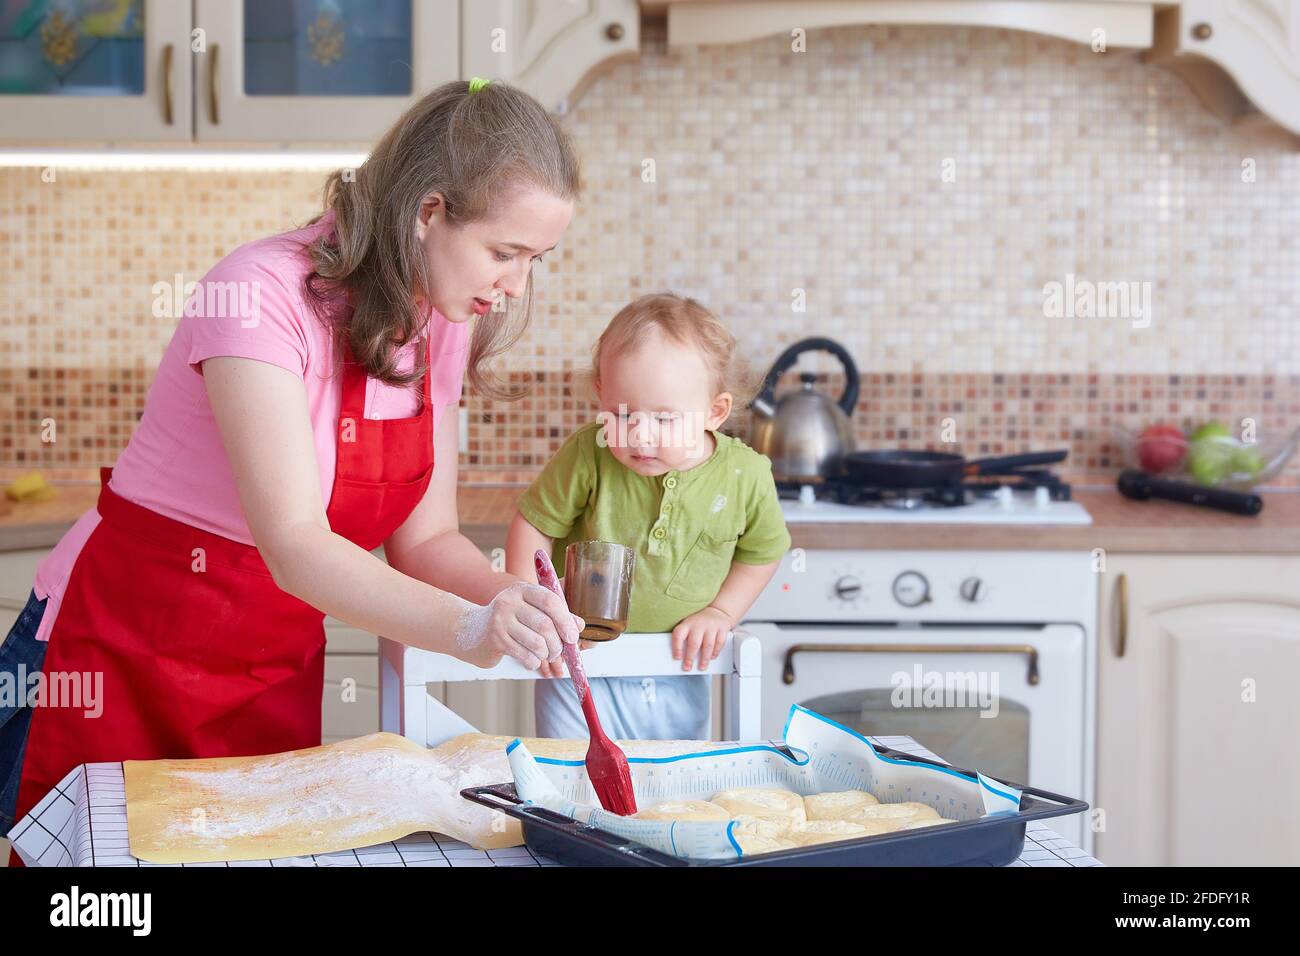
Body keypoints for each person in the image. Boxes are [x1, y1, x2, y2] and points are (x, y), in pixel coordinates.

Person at [0, 79, 585, 856]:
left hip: (267, 666)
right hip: (122, 647)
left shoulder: (437, 320)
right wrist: (466, 627)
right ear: (429, 210)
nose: (515, 286)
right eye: (505, 253)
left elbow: (427, 541)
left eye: (534, 260)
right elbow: (294, 542)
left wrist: (513, 602)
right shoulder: (256, 294)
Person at [506, 293, 791, 740]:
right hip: (579, 660)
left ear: (713, 413)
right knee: (568, 789)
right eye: (623, 413)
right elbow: (534, 527)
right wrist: (536, 610)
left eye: (663, 418)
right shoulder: (590, 452)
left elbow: (763, 552)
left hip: (678, 666)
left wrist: (721, 611)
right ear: (601, 392)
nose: (639, 434)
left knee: (669, 789)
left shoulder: (745, 475)